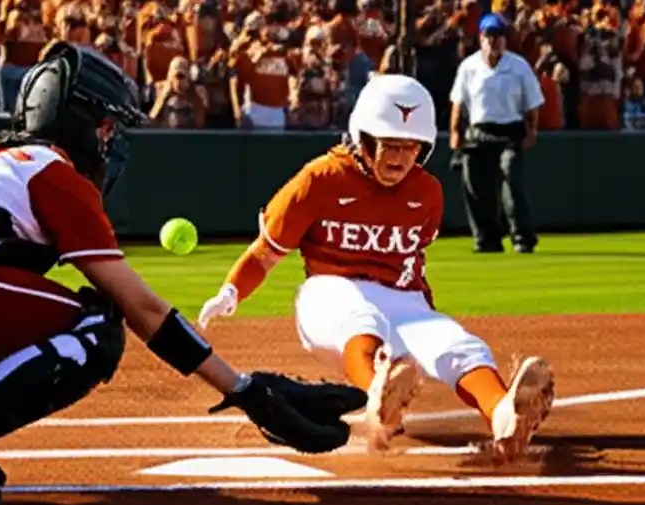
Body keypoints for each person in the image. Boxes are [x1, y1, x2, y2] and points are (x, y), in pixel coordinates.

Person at [0, 43, 363, 505]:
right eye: (109, 127)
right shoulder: (55, 172)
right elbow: (140, 307)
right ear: (80, 122)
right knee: (95, 325)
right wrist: (241, 389)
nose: (111, 142)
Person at [197, 74, 555, 458]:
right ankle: (377, 397)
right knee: (360, 318)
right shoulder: (320, 179)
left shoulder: (427, 193)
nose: (400, 158)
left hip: (404, 299)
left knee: (458, 346)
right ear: (363, 138)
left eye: (411, 147)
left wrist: (427, 322)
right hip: (329, 294)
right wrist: (231, 290)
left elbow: (414, 270)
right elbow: (266, 252)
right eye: (389, 146)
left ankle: (504, 416)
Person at [448, 14, 543, 254]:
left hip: (510, 131)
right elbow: (459, 102)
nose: (494, 41)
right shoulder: (469, 67)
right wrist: (455, 133)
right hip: (479, 131)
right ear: (481, 38)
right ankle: (486, 238)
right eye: (489, 36)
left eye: (498, 36)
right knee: (474, 183)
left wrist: (532, 129)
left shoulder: (518, 66)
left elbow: (532, 103)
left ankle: (522, 236)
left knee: (511, 176)